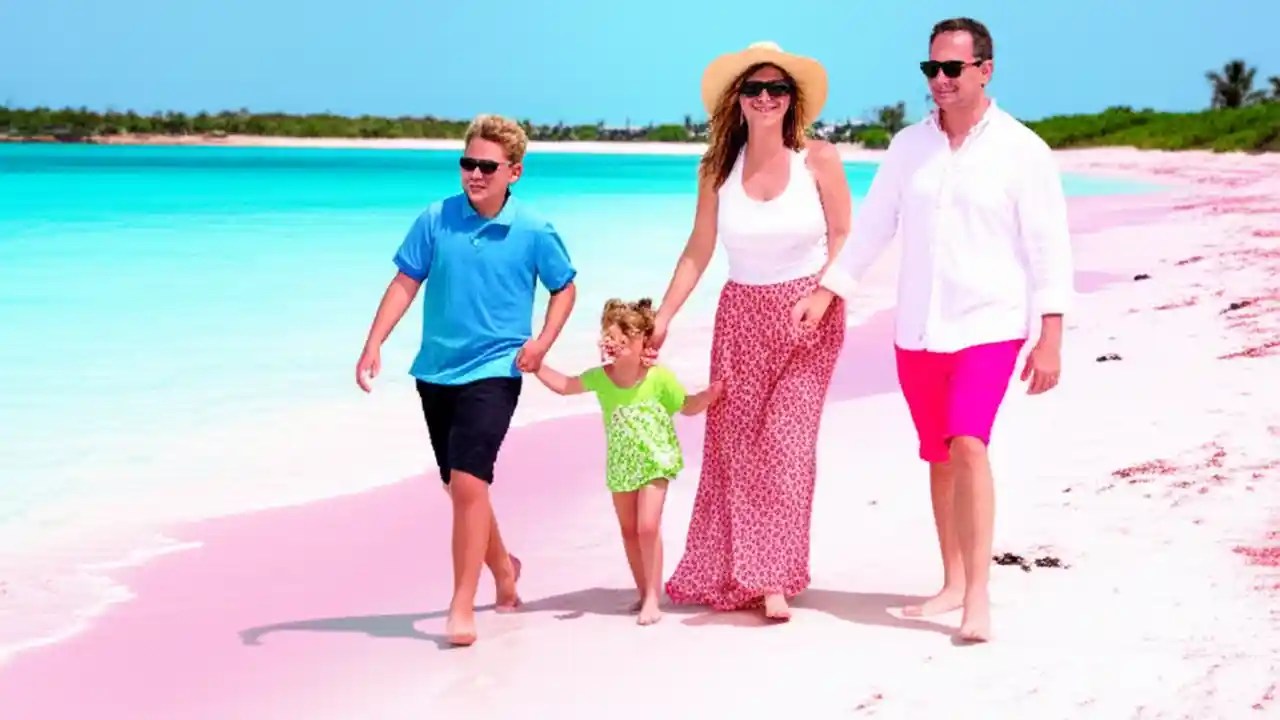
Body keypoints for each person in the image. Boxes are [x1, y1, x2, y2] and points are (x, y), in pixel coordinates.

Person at [797, 17, 1075, 642]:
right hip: (918, 330)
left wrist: (1050, 334)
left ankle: (978, 596)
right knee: (940, 454)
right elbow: (874, 227)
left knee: (969, 443)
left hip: (990, 324)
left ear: (985, 70)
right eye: (932, 68)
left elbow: (1048, 247)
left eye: (953, 68)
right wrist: (828, 290)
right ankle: (950, 582)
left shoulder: (1023, 150)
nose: (940, 80)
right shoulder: (908, 147)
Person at [650, 41, 857, 621]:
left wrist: (824, 294)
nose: (766, 98)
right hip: (740, 317)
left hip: (807, 314)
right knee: (738, 451)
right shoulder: (716, 168)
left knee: (786, 449)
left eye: (777, 88)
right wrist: (663, 317)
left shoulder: (819, 158)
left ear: (792, 99)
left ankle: (773, 579)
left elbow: (845, 234)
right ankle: (742, 570)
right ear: (737, 100)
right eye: (754, 89)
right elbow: (699, 248)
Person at [354, 113, 578, 647]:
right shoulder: (436, 218)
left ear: (514, 172)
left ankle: (461, 606)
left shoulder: (534, 230)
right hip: (435, 370)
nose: (475, 174)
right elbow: (405, 282)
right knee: (460, 487)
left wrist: (542, 343)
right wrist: (374, 341)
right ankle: (503, 569)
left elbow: (564, 288)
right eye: (468, 163)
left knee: (471, 483)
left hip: (497, 368)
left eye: (487, 166)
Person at [532, 298, 723, 626]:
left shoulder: (658, 378)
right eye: (610, 338)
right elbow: (565, 386)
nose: (615, 345)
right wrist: (535, 364)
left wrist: (707, 397)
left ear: (642, 342)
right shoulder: (600, 377)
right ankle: (643, 590)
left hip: (656, 459)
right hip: (621, 463)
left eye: (623, 339)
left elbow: (686, 406)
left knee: (647, 527)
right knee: (629, 531)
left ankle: (653, 598)